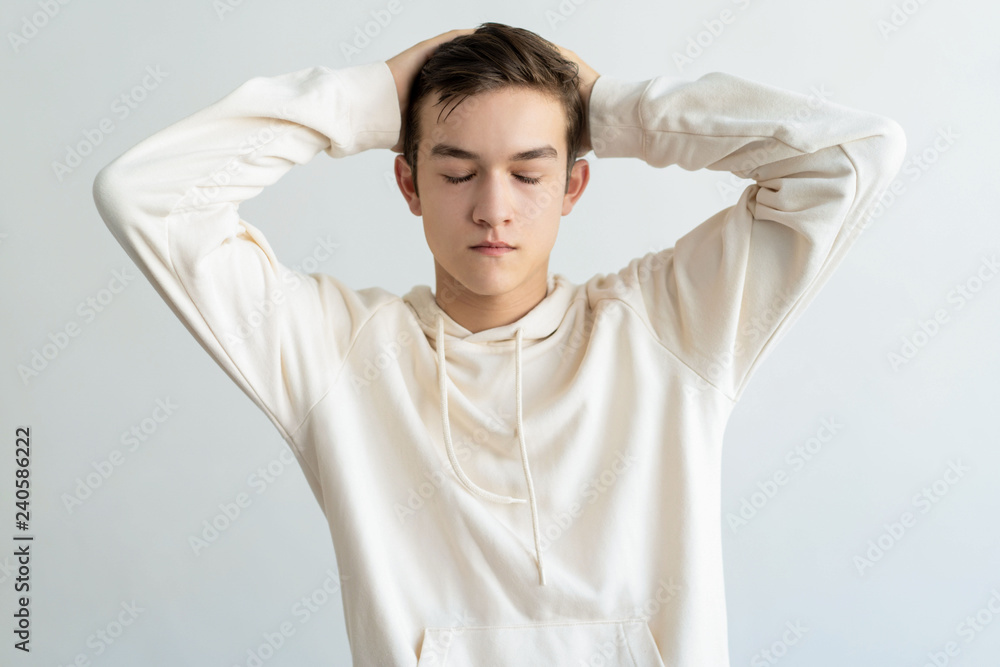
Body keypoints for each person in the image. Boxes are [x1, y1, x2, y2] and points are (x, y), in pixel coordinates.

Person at [92, 21, 906, 667]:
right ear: (409, 182)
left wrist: (608, 107)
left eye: (528, 172)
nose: (493, 208)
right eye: (457, 172)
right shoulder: (338, 355)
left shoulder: (667, 327)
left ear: (573, 184)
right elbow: (145, 197)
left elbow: (851, 158)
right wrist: (372, 98)